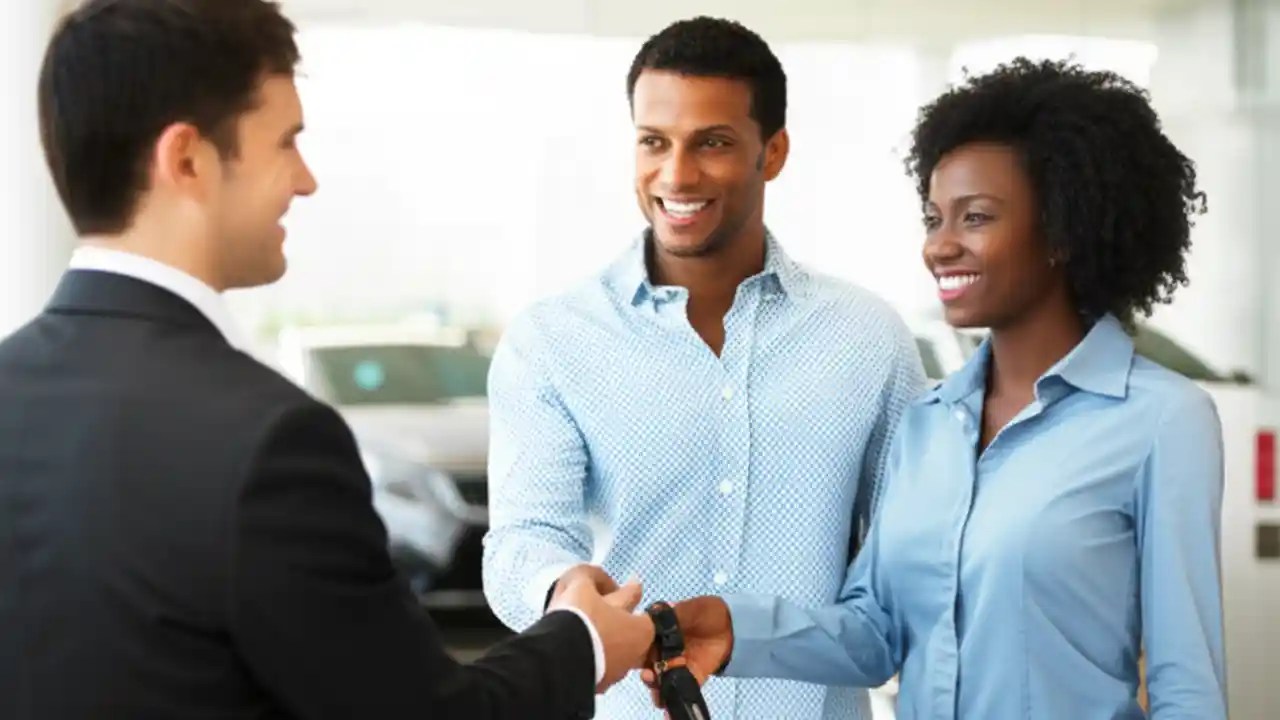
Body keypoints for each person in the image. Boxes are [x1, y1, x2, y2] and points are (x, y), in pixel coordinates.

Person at [0, 2, 656, 718]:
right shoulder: (269, 442)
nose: (306, 179)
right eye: (286, 142)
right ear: (186, 159)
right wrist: (584, 641)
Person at [649, 58, 1229, 719]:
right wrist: (734, 631)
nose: (939, 247)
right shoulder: (926, 423)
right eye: (934, 218)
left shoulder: (1162, 420)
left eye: (975, 218)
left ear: (1064, 229)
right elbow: (876, 635)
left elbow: (1189, 690)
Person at [481, 16, 925, 720]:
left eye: (712, 143)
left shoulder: (868, 340)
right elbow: (521, 540)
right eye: (654, 142)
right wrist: (563, 588)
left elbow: (909, 575)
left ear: (772, 152)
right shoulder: (553, 341)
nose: (677, 174)